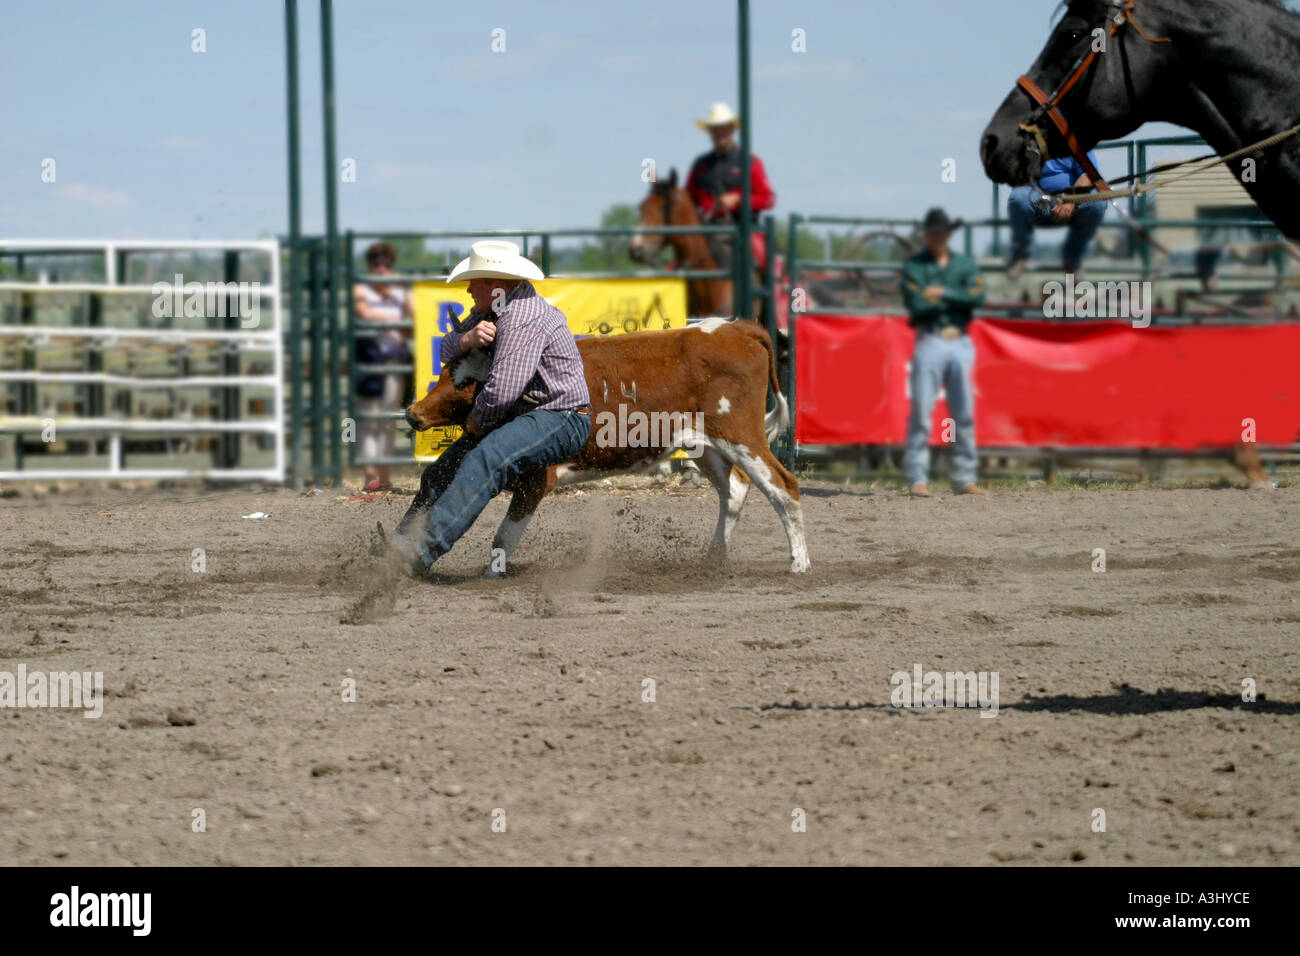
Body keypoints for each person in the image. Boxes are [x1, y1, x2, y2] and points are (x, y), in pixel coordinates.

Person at [392, 241, 591, 576]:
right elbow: (446, 348)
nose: (468, 289)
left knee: (486, 459)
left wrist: (474, 425)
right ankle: (397, 547)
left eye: (475, 281)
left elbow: (501, 392)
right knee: (442, 470)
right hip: (525, 415)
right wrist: (467, 339)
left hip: (561, 416)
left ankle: (420, 553)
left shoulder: (522, 317)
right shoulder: (495, 309)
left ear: (495, 285)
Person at [900, 208, 986, 498]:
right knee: (922, 411)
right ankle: (917, 478)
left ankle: (963, 477)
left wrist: (942, 293)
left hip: (958, 341)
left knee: (964, 413)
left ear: (948, 234)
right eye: (933, 232)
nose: (937, 236)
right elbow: (917, 304)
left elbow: (978, 297)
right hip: (932, 339)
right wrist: (957, 298)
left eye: (941, 232)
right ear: (926, 235)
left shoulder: (961, 264)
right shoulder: (915, 266)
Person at [685, 102, 776, 270]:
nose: (719, 133)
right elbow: (688, 199)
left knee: (764, 265)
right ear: (709, 131)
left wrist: (739, 200)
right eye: (714, 128)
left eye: (723, 128)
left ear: (732, 129)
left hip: (742, 230)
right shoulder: (700, 165)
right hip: (707, 231)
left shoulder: (750, 162)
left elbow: (768, 199)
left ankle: (766, 293)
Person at [352, 242, 412, 492]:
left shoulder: (400, 291)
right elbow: (364, 314)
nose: (381, 268)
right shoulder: (361, 289)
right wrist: (395, 319)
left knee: (387, 419)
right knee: (369, 419)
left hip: (393, 360)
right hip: (368, 359)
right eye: (376, 263)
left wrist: (394, 316)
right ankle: (369, 478)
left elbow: (415, 318)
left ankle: (384, 477)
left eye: (386, 263)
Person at [1006, 150, 1107, 279]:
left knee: (1097, 203)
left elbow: (1088, 174)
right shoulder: (1026, 139)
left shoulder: (1078, 139)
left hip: (1072, 199)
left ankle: (1072, 258)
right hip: (1037, 197)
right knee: (1018, 198)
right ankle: (1020, 256)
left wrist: (1071, 200)